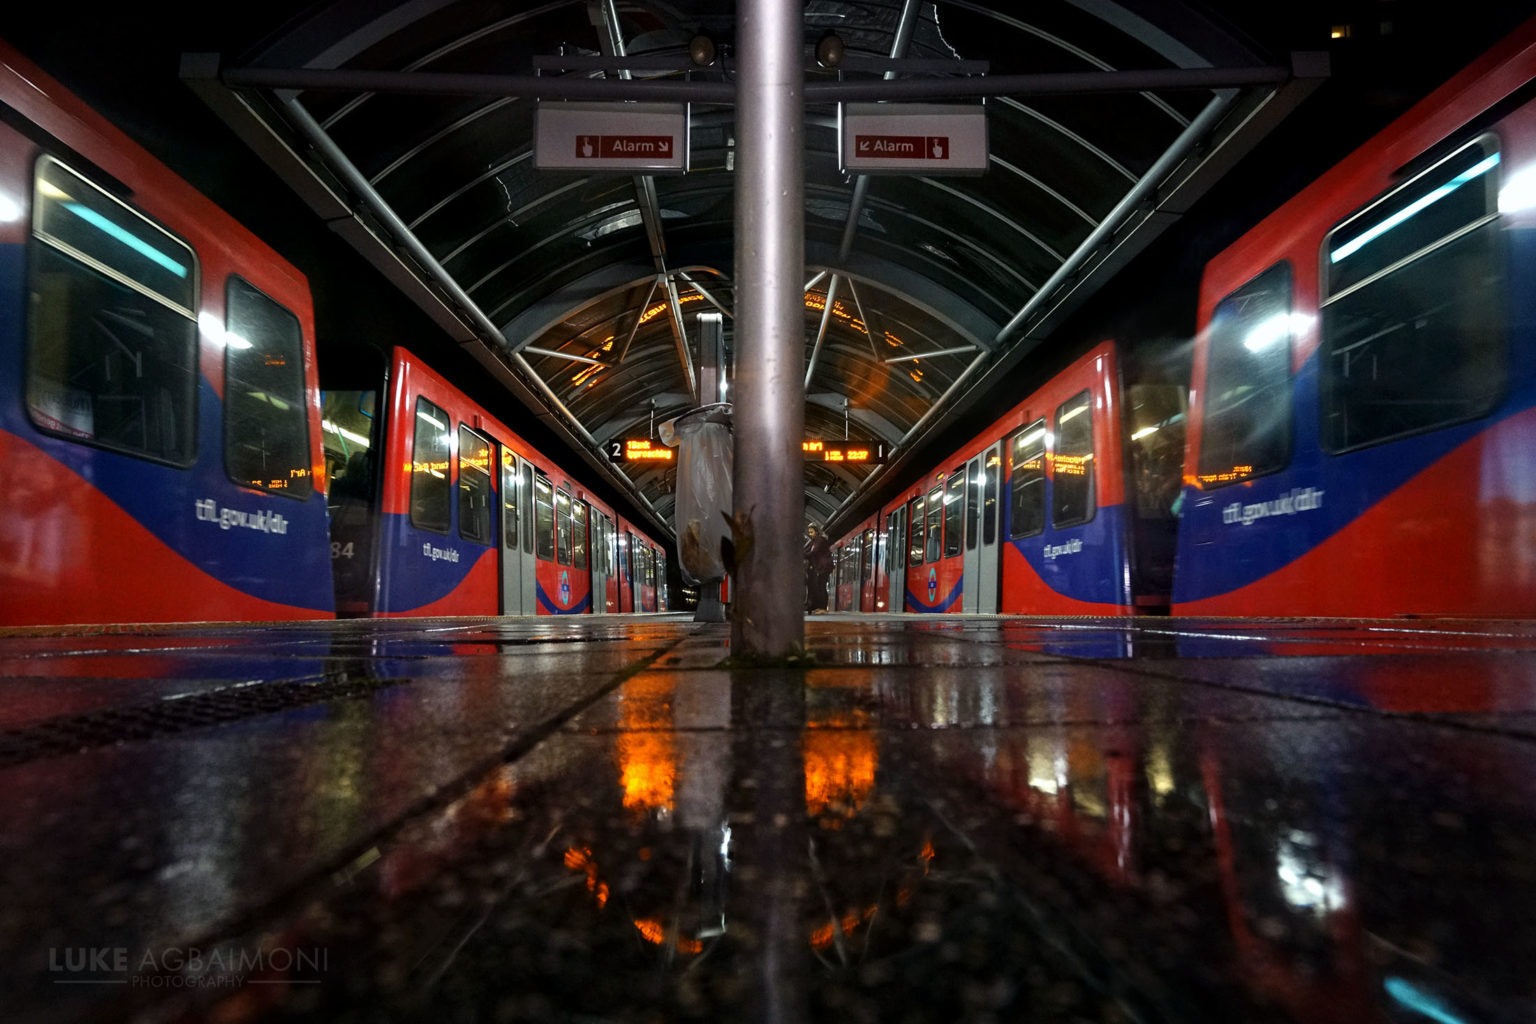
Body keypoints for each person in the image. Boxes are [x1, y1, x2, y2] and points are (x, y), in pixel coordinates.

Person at [804, 524, 833, 613]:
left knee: (822, 586)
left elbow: (814, 552)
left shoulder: (820, 540)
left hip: (824, 566)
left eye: (811, 532)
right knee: (820, 586)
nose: (810, 534)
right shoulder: (814, 541)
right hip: (820, 567)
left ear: (816, 532)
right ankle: (820, 607)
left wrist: (803, 554)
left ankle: (823, 608)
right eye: (809, 532)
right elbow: (807, 550)